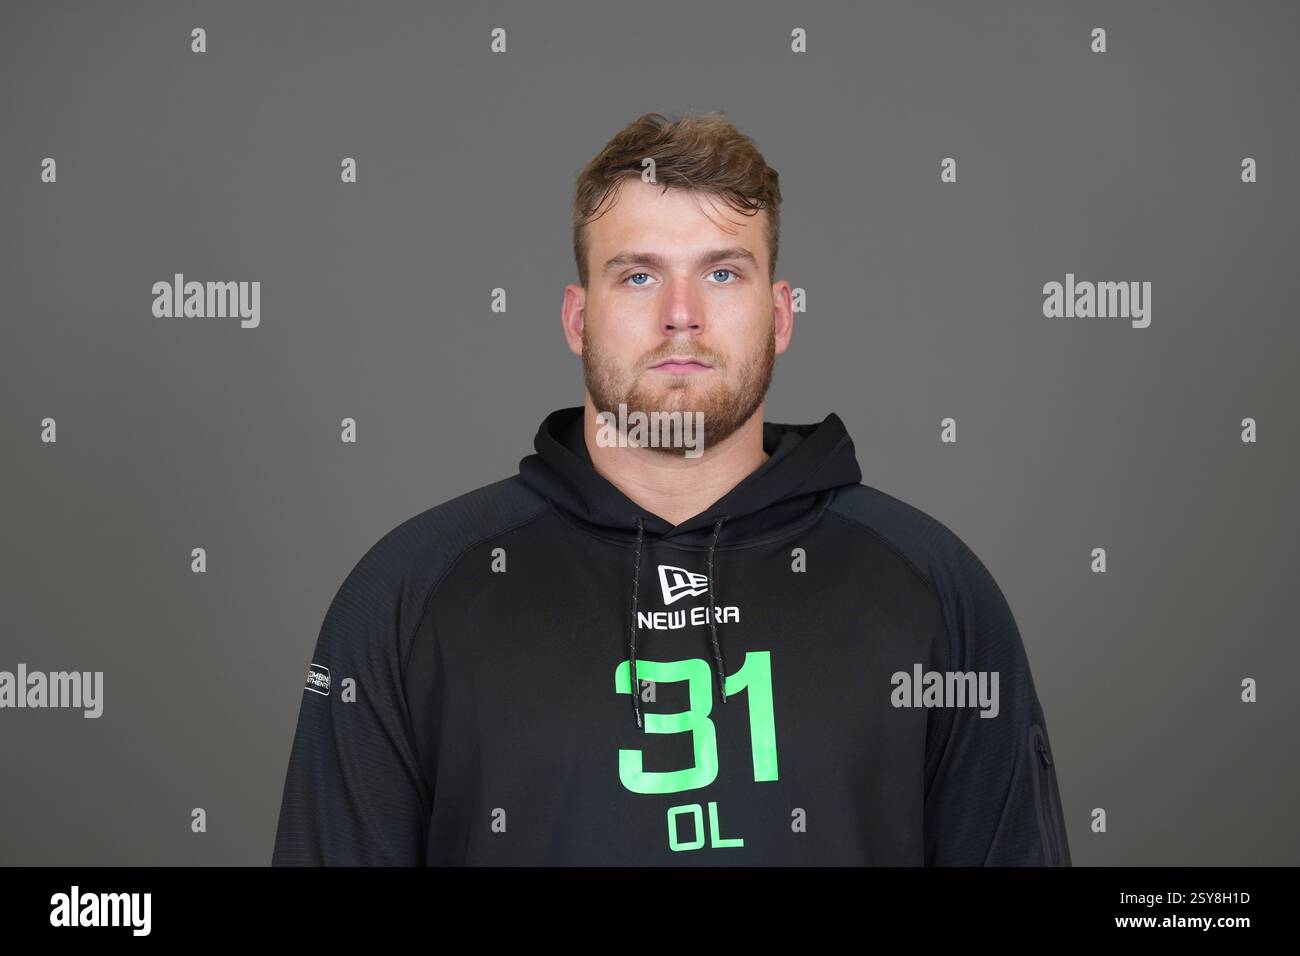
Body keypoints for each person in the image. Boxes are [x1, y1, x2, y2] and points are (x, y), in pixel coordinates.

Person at [271, 111, 1071, 866]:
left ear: (781, 315)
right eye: (639, 276)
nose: (681, 316)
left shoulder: (934, 591)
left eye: (722, 273)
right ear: (577, 318)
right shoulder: (410, 595)